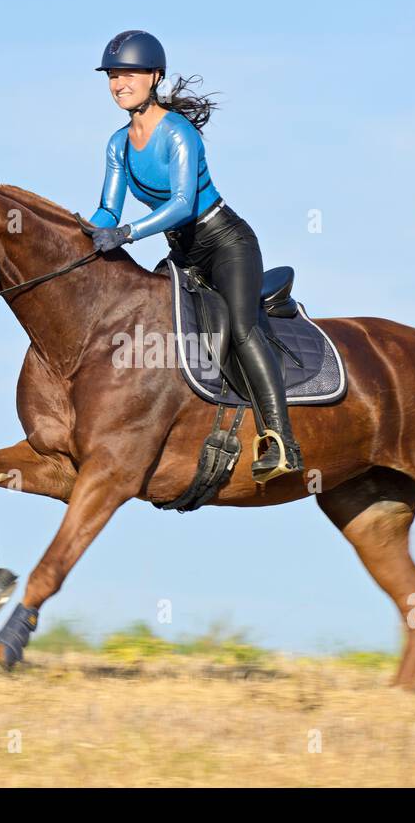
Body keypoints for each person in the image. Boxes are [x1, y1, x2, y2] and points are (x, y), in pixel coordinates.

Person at [84, 29, 303, 483]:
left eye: (129, 73)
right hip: (183, 253)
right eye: (112, 75)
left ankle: (281, 440)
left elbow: (183, 204)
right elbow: (108, 209)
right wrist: (83, 237)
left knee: (241, 329)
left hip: (226, 243)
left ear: (154, 77)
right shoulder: (116, 145)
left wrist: (125, 233)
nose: (119, 83)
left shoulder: (179, 134)